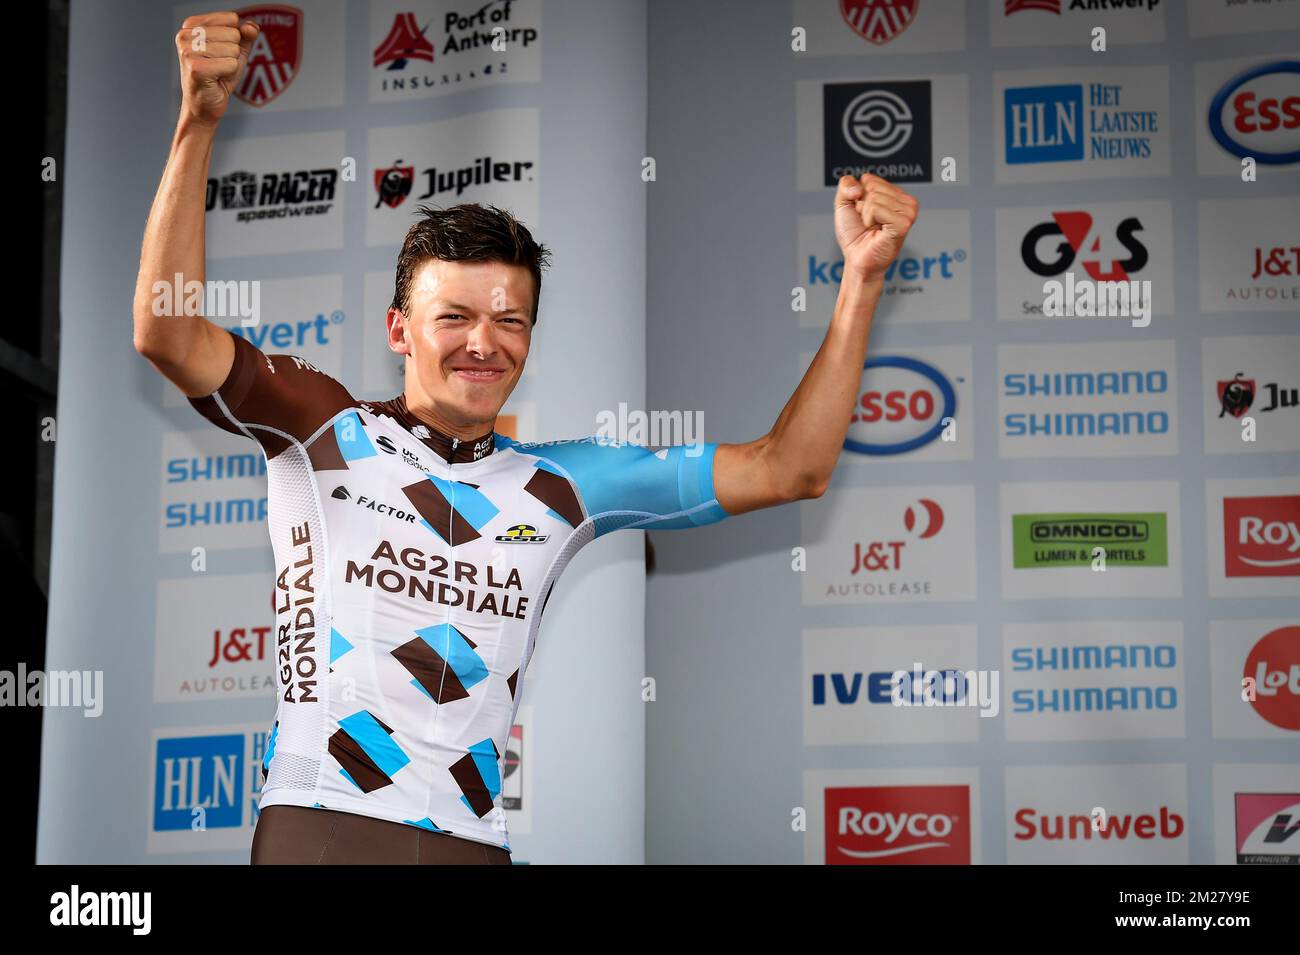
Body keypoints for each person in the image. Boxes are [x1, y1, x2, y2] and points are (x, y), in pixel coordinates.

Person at [133, 11, 919, 864]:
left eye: (511, 319)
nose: (484, 341)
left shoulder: (562, 484)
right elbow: (167, 336)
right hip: (322, 828)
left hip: (477, 843)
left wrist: (861, 282)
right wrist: (197, 124)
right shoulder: (323, 424)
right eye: (455, 317)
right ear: (399, 328)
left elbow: (790, 468)